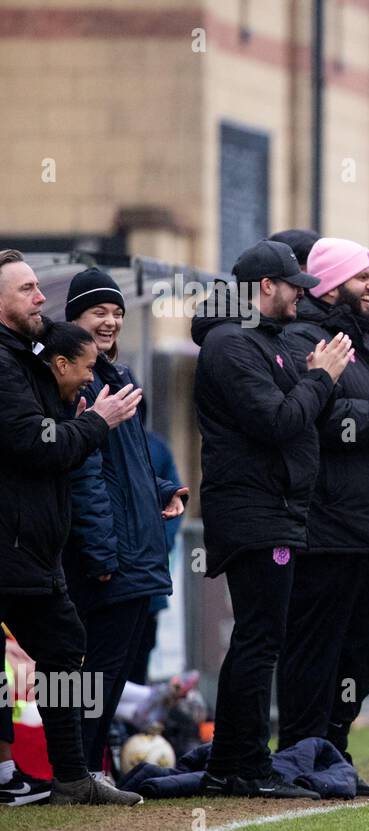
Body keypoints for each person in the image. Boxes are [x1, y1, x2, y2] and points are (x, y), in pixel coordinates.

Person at [191, 239, 352, 800]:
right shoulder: (230, 345)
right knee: (260, 640)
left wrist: (314, 380)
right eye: (293, 289)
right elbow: (280, 420)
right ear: (265, 287)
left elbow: (302, 417)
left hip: (276, 509)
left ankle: (234, 762)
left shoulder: (264, 341)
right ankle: (241, 765)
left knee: (261, 638)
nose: (299, 301)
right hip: (255, 511)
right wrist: (322, 377)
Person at [278, 238, 369, 796]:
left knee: (365, 646)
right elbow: (320, 417)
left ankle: (334, 748)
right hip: (329, 526)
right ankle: (299, 752)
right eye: (363, 276)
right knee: (315, 648)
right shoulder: (303, 338)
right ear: (332, 283)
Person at [0, 248, 144, 806]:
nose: (41, 297)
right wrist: (95, 421)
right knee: (62, 649)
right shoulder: (6, 362)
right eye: (27, 289)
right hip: (12, 545)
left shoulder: (31, 353)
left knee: (64, 649)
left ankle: (71, 777)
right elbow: (35, 444)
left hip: (35, 547)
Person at [62, 268, 188, 780]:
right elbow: (84, 476)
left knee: (114, 675)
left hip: (137, 553)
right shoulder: (74, 380)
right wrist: (100, 556)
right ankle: (78, 771)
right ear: (75, 319)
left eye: (116, 312)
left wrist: (162, 492)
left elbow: (130, 463)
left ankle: (93, 769)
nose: (111, 321)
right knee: (93, 674)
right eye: (99, 313)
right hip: (110, 559)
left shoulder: (120, 377)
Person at [128, 396, 184, 685]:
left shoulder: (155, 450)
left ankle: (119, 724)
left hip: (143, 575)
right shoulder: (104, 443)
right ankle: (111, 725)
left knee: (134, 652)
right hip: (137, 574)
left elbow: (177, 501)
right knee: (127, 654)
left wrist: (159, 548)